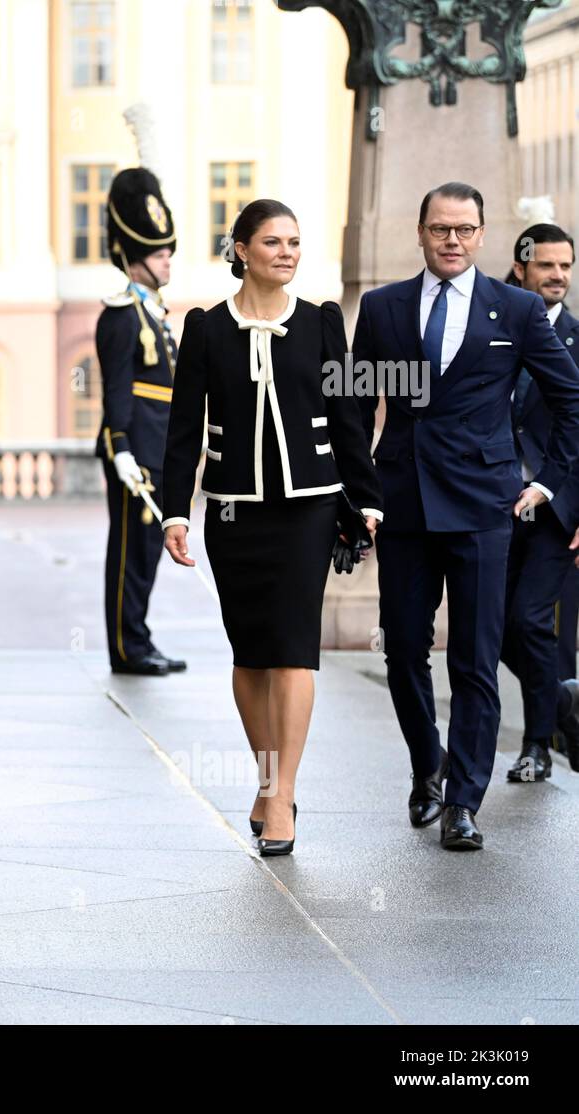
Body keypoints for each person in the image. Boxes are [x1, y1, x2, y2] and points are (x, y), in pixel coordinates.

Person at [353, 183, 579, 851]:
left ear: (482, 236)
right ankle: (429, 764)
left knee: (476, 660)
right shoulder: (384, 307)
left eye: (465, 229)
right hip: (403, 503)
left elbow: (571, 399)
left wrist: (546, 484)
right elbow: (357, 402)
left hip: (485, 507)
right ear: (420, 233)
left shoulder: (514, 308)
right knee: (402, 648)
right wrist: (359, 491)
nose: (452, 240)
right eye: (440, 228)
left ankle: (463, 803)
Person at [161, 199, 383, 857]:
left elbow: (347, 415)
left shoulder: (320, 322)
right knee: (250, 653)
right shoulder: (204, 329)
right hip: (232, 511)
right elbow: (182, 431)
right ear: (241, 249)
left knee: (293, 648)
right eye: (272, 242)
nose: (286, 252)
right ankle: (264, 776)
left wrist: (365, 499)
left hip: (309, 507)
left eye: (294, 242)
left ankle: (281, 793)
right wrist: (177, 511)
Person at [95, 163, 186, 676]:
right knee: (131, 550)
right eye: (158, 253)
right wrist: (122, 447)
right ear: (136, 258)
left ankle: (140, 637)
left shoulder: (152, 310)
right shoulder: (121, 314)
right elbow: (117, 390)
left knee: (148, 549)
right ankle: (127, 647)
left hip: (156, 446)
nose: (168, 260)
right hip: (134, 450)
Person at [500, 223, 579, 780]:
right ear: (522, 267)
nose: (558, 276)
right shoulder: (494, 329)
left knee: (534, 622)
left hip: (557, 510)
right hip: (495, 507)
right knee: (496, 628)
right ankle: (565, 707)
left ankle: (537, 744)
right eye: (547, 265)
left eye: (566, 266)